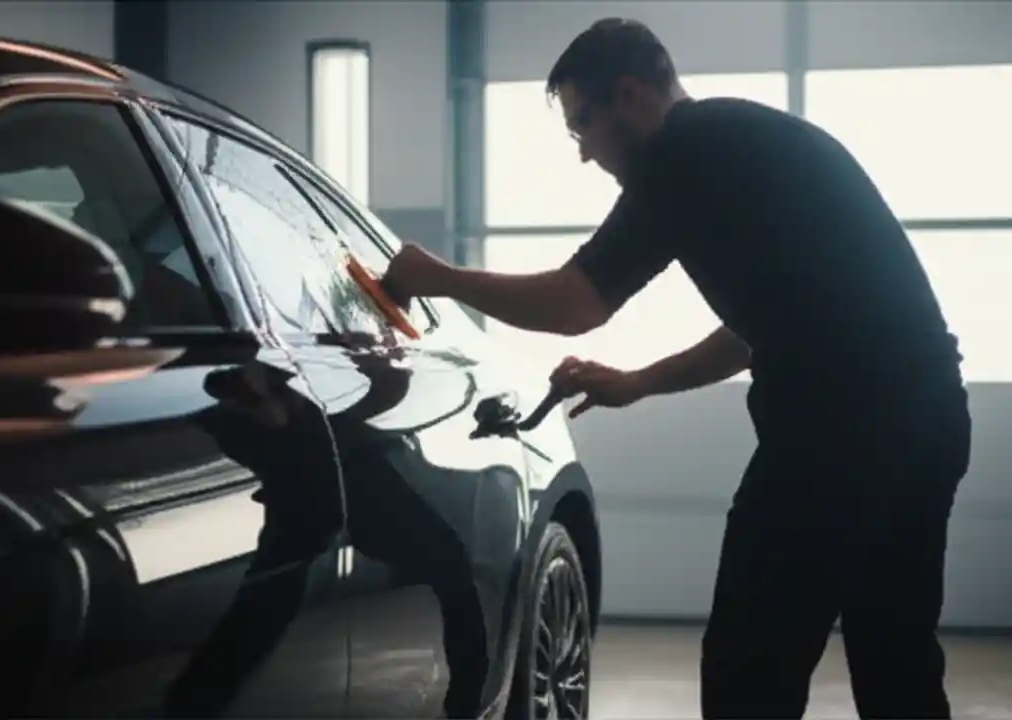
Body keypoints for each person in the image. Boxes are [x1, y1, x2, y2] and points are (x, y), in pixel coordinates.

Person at [381, 17, 972, 720]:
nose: (582, 153)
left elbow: (577, 301)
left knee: (747, 671)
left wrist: (438, 277)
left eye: (580, 127)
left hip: (838, 437)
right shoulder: (746, 143)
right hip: (928, 418)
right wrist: (636, 382)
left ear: (628, 97)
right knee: (896, 661)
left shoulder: (681, 155)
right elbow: (757, 329)